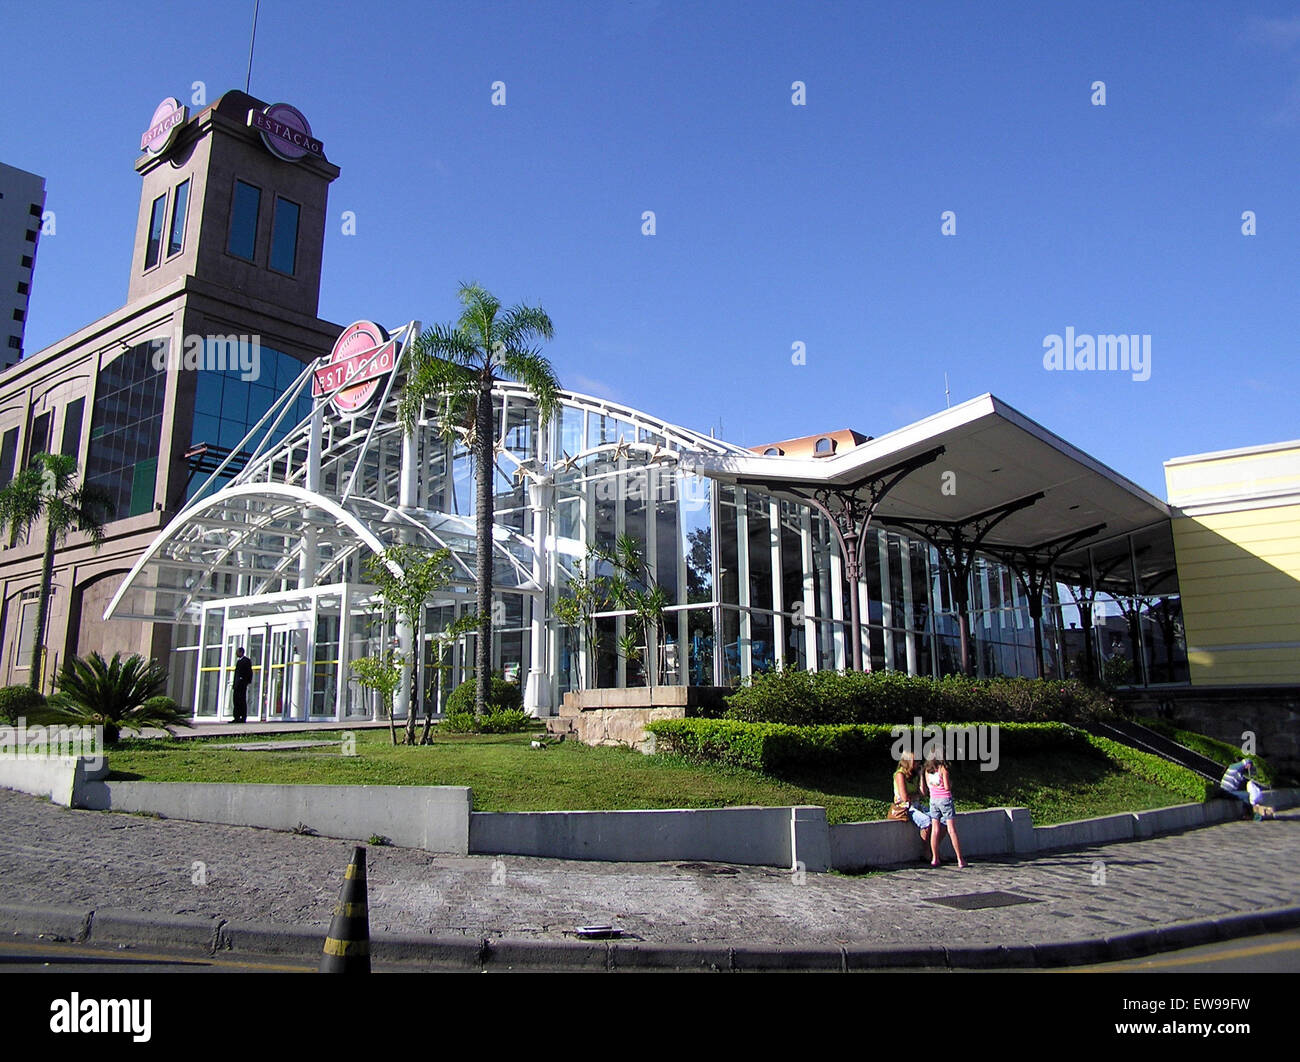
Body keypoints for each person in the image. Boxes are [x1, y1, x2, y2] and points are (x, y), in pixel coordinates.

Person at [923, 753, 967, 868]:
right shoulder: (943, 769)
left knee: (935, 829)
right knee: (951, 829)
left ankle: (934, 858)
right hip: (945, 799)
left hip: (933, 800)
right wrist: (951, 784)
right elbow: (947, 787)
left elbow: (928, 787)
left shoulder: (927, 771)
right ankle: (960, 859)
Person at [891, 751, 932, 854]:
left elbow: (923, 793)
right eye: (915, 761)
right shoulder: (900, 775)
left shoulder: (914, 775)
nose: (918, 764)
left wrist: (921, 775)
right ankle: (927, 851)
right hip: (905, 808)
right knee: (926, 821)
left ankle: (935, 851)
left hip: (916, 804)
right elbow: (905, 798)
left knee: (938, 818)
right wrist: (916, 795)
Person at [231, 646, 253, 724]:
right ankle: (236, 717)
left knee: (241, 701)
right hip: (237, 685)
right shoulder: (239, 661)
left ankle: (242, 717)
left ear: (241, 652)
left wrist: (246, 681)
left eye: (237, 652)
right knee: (236, 701)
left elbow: (249, 672)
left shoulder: (246, 661)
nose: (236, 653)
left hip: (242, 684)